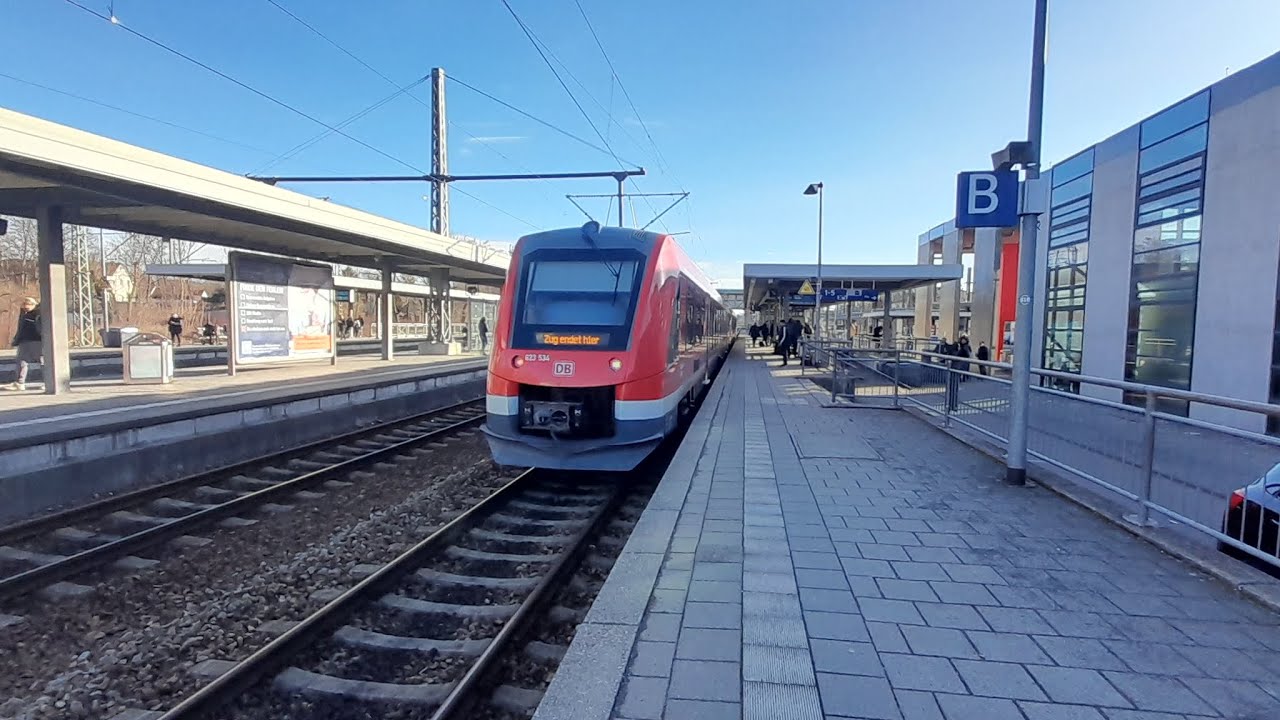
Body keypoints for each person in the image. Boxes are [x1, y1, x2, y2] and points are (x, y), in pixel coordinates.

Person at [5, 297, 41, 391]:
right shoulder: (24, 315)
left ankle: (49, 381)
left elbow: (41, 327)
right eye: (25, 305)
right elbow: (21, 329)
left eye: (28, 305)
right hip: (24, 341)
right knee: (21, 361)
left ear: (34, 305)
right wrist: (16, 339)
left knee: (42, 361)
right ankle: (19, 382)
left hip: (36, 340)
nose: (26, 307)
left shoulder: (38, 314)